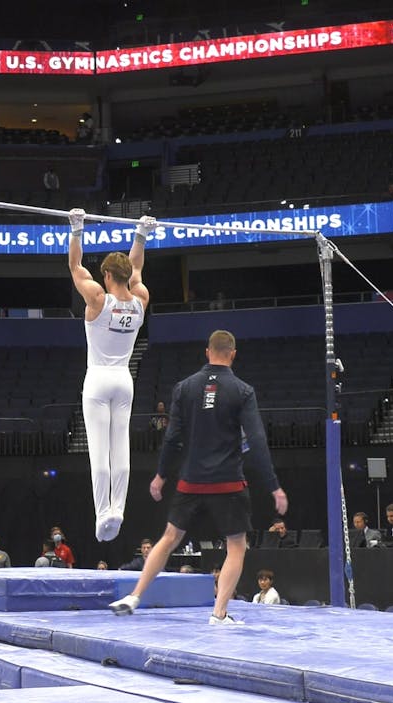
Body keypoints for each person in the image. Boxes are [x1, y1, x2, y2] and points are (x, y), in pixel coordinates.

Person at [110, 330, 288, 624]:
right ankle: (219, 614)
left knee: (168, 538)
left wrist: (161, 475)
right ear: (232, 354)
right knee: (237, 545)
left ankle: (135, 595)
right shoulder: (242, 391)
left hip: (190, 480)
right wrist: (274, 487)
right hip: (228, 481)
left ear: (207, 352)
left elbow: (172, 438)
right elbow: (256, 441)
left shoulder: (184, 388)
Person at [68, 208, 156, 542]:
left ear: (106, 275)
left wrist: (77, 229)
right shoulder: (140, 301)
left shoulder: (96, 299)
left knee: (98, 450)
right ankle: (116, 509)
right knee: (121, 448)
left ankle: (103, 512)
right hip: (123, 379)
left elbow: (76, 267)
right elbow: (137, 270)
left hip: (98, 379)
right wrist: (141, 235)